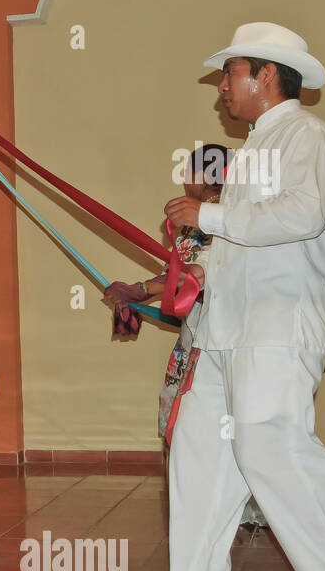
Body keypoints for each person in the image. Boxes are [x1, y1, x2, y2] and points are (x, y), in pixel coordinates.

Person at [119, 22, 325, 571]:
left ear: (266, 74)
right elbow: (236, 244)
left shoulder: (311, 136)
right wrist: (183, 271)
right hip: (222, 332)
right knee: (199, 453)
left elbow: (301, 214)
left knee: (273, 449)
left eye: (228, 75)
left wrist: (207, 212)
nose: (220, 90)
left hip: (278, 326)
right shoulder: (249, 155)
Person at [107, 145, 271, 532]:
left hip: (229, 341)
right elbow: (176, 285)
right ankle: (200, 503)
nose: (184, 178)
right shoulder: (190, 229)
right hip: (194, 343)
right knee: (182, 425)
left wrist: (138, 288)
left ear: (208, 177)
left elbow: (193, 276)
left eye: (190, 171)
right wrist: (138, 301)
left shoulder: (233, 222)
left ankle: (248, 504)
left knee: (235, 425)